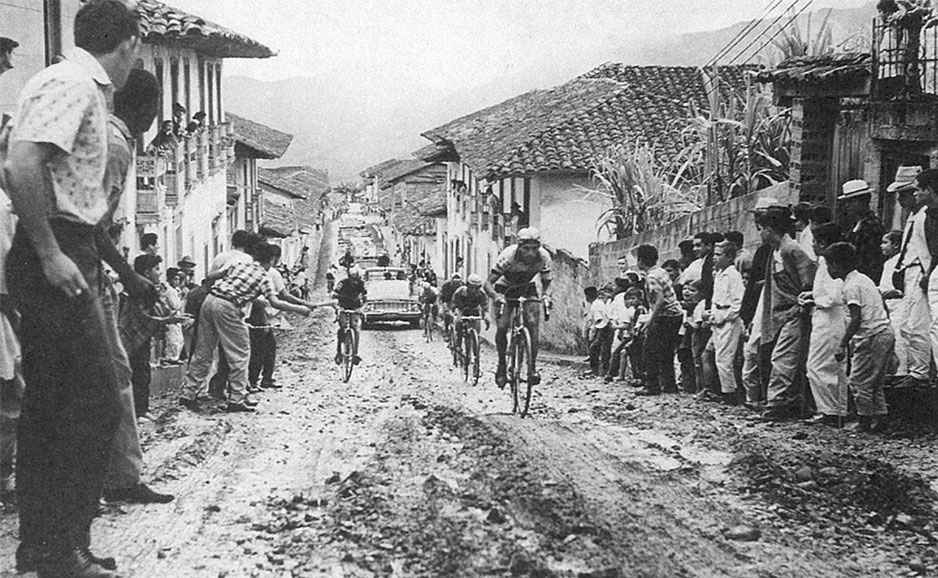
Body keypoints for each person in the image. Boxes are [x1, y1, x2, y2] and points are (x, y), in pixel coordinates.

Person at [3, 2, 141, 575]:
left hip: (65, 244)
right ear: (129, 44)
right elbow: (21, 164)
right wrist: (49, 251)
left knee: (53, 402)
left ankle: (45, 546)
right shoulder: (74, 84)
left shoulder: (65, 81)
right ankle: (62, 547)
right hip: (59, 246)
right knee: (94, 403)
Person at [180, 242, 311, 413]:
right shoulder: (264, 277)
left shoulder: (239, 265)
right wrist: (300, 309)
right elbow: (275, 302)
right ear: (272, 259)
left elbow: (211, 275)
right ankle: (237, 399)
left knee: (203, 351)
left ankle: (188, 394)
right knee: (240, 353)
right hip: (228, 307)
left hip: (210, 301)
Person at [828, 242, 896, 432]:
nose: (828, 269)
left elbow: (856, 318)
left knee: (858, 381)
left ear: (836, 265)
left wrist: (842, 344)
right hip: (883, 331)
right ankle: (881, 420)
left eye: (828, 265)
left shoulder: (851, 286)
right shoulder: (864, 279)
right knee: (875, 382)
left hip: (871, 335)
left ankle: (864, 421)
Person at [758, 207, 817, 420]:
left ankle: (776, 404)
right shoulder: (775, 252)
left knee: (783, 358)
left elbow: (808, 280)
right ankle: (789, 402)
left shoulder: (792, 249)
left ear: (770, 229)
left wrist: (802, 303)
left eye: (761, 229)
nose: (760, 233)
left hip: (794, 312)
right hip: (781, 312)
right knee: (786, 357)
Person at [484, 227, 552, 388]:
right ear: (519, 246)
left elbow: (547, 283)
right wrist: (496, 297)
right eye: (526, 248)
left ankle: (532, 368)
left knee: (533, 323)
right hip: (505, 287)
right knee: (502, 326)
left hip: (527, 287)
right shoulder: (508, 255)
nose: (531, 253)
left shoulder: (543, 257)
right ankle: (501, 365)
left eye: (534, 248)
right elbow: (487, 284)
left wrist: (547, 296)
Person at [801, 223, 848, 425]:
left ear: (822, 243)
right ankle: (831, 409)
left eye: (814, 241)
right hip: (824, 317)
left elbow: (835, 296)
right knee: (821, 365)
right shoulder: (823, 262)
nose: (811, 245)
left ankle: (832, 411)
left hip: (830, 318)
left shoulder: (830, 264)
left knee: (821, 365)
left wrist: (815, 301)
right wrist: (812, 295)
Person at [895, 167, 933, 388]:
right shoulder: (913, 215)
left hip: (921, 270)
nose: (900, 199)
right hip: (909, 271)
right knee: (906, 324)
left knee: (918, 324)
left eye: (904, 194)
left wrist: (927, 274)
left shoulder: (927, 215)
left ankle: (920, 372)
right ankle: (911, 368)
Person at [634, 244, 684, 396]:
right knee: (666, 352)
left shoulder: (651, 277)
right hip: (675, 314)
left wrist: (650, 321)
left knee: (650, 351)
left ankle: (652, 386)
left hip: (666, 316)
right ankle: (669, 385)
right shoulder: (661, 271)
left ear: (640, 261)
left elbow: (660, 300)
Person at [703, 241, 745, 405]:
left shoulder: (733, 275)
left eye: (718, 255)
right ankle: (719, 389)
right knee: (713, 355)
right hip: (717, 316)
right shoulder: (720, 274)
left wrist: (725, 317)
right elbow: (717, 298)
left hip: (729, 320)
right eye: (714, 254)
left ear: (729, 257)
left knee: (724, 359)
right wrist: (712, 315)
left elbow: (738, 302)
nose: (714, 258)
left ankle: (730, 394)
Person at [840, 179, 886, 284]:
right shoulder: (855, 224)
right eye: (846, 202)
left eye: (851, 202)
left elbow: (871, 260)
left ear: (864, 201)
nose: (847, 206)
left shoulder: (871, 226)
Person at [879, 230, 908, 378]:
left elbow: (903, 288)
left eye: (885, 243)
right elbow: (885, 285)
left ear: (896, 245)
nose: (881, 246)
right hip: (888, 306)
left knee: (899, 337)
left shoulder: (901, 262)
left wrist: (893, 292)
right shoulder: (888, 263)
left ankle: (902, 371)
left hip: (899, 305)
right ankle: (893, 371)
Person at [332, 265, 367, 365]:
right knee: (342, 325)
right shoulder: (342, 283)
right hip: (343, 306)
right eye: (352, 278)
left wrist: (361, 309)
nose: (354, 281)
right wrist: (337, 308)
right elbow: (334, 296)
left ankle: (355, 353)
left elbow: (366, 298)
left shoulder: (361, 284)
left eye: (356, 279)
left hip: (355, 307)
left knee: (355, 328)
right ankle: (339, 351)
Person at [450, 273, 490, 353]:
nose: (474, 290)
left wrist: (486, 316)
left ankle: (475, 346)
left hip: (474, 310)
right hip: (462, 309)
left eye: (477, 287)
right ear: (468, 285)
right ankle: (458, 343)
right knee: (458, 323)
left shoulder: (481, 293)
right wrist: (455, 311)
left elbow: (485, 306)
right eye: (472, 287)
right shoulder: (460, 291)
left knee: (477, 327)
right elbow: (454, 302)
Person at [440, 272, 464, 341]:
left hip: (458, 302)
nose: (456, 285)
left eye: (458, 283)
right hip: (448, 301)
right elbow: (442, 297)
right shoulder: (446, 285)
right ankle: (446, 330)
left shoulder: (463, 285)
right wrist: (444, 308)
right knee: (447, 314)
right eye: (454, 283)